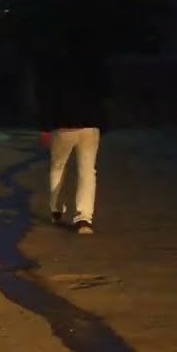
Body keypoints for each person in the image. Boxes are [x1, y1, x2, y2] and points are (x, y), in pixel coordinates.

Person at [35, 36, 110, 235]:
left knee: (58, 166)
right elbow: (106, 93)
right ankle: (84, 218)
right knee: (87, 171)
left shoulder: (56, 67)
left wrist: (44, 126)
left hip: (64, 124)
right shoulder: (96, 66)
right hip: (89, 124)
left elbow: (47, 97)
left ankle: (56, 208)